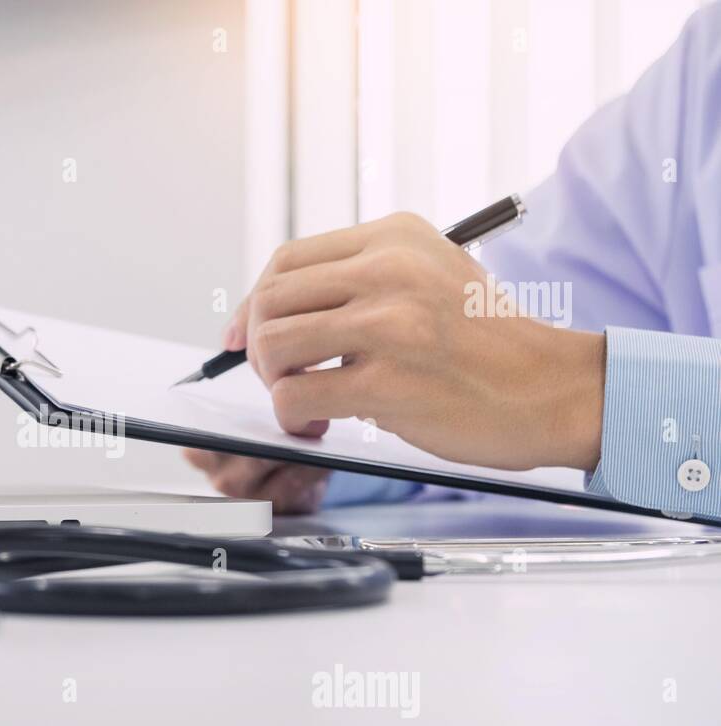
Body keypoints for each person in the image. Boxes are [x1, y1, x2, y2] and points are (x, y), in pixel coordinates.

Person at [186, 5, 721, 523]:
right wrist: (337, 435)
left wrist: (579, 396)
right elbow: (492, 360)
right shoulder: (703, 72)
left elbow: (535, 375)